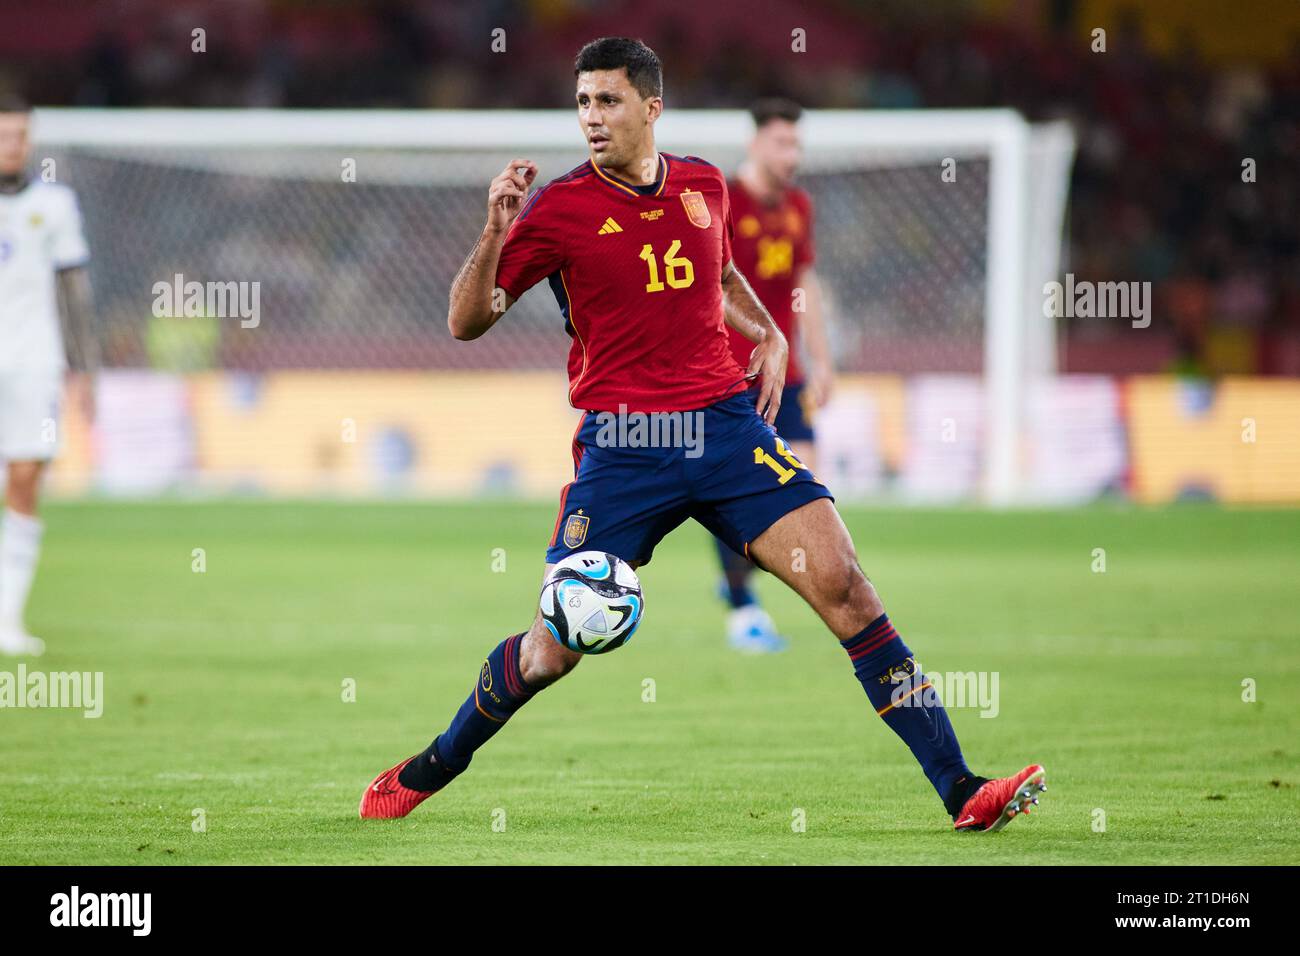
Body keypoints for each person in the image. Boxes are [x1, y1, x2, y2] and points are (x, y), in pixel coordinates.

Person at [360, 38, 1046, 832]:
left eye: (608, 101)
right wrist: (494, 231)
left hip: (725, 432)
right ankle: (434, 764)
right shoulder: (558, 210)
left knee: (847, 587)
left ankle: (963, 790)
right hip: (622, 451)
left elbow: (719, 277)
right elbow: (464, 322)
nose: (591, 118)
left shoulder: (703, 186)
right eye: (582, 102)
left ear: (652, 107)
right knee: (553, 651)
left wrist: (771, 334)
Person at [0, 95, 98, 657]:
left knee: (24, 478)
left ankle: (8, 617)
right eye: (5, 134)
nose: (14, 144)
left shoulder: (54, 204)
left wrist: (87, 372)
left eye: (20, 134)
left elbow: (74, 294)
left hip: (35, 361)